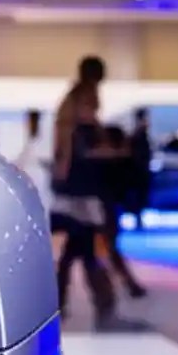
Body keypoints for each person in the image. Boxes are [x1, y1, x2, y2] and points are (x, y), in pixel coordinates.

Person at [52, 56, 118, 329]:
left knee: (76, 248)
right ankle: (102, 299)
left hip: (75, 186)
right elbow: (75, 145)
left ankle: (63, 300)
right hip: (82, 186)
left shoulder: (73, 99)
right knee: (86, 244)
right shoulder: (81, 102)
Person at [97, 124, 147, 298]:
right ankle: (128, 284)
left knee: (98, 250)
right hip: (108, 208)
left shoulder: (109, 163)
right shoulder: (124, 161)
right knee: (106, 249)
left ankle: (126, 285)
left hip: (101, 209)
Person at [126, 107, 154, 231]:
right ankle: (137, 217)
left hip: (141, 170)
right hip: (138, 171)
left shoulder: (141, 135)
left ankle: (138, 217)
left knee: (140, 196)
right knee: (138, 196)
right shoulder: (138, 136)